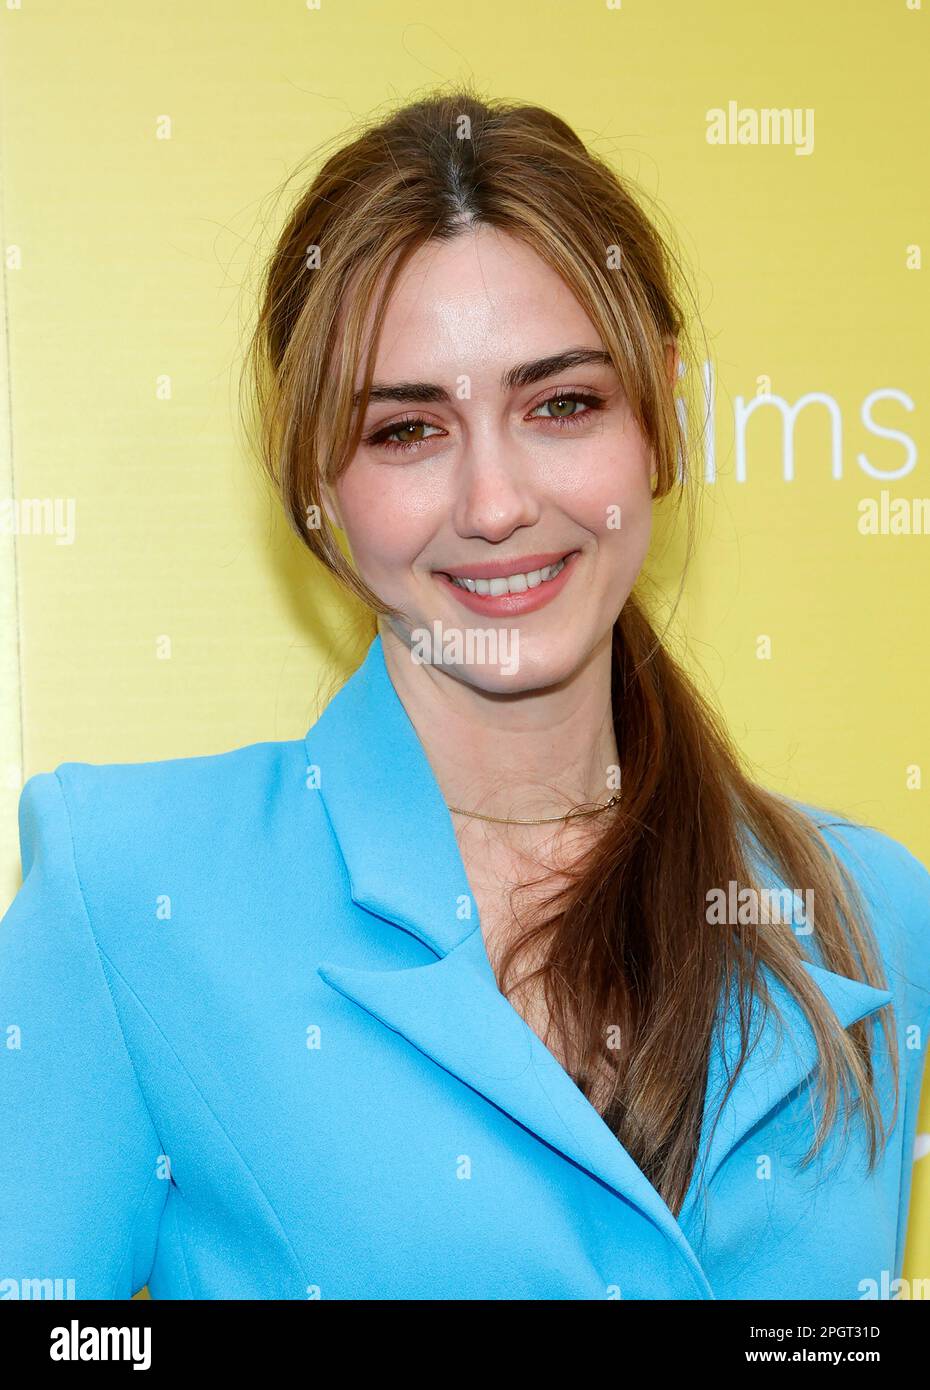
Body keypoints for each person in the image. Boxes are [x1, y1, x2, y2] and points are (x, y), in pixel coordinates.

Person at [1, 85, 928, 1301]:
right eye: (407, 430)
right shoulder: (129, 893)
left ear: (660, 415)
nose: (495, 503)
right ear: (316, 476)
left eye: (563, 404)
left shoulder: (867, 910)